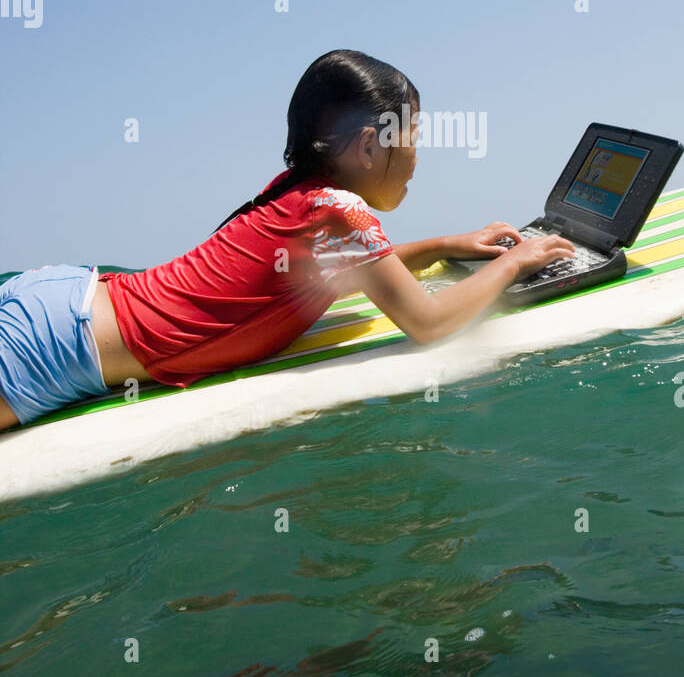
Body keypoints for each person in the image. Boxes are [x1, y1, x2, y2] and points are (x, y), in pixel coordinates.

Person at [0, 49, 574, 432]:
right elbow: (425, 321)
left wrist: (447, 243)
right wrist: (515, 263)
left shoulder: (298, 195)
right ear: (371, 146)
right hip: (55, 347)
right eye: (414, 136)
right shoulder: (338, 212)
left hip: (66, 305)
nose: (419, 154)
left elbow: (360, 269)